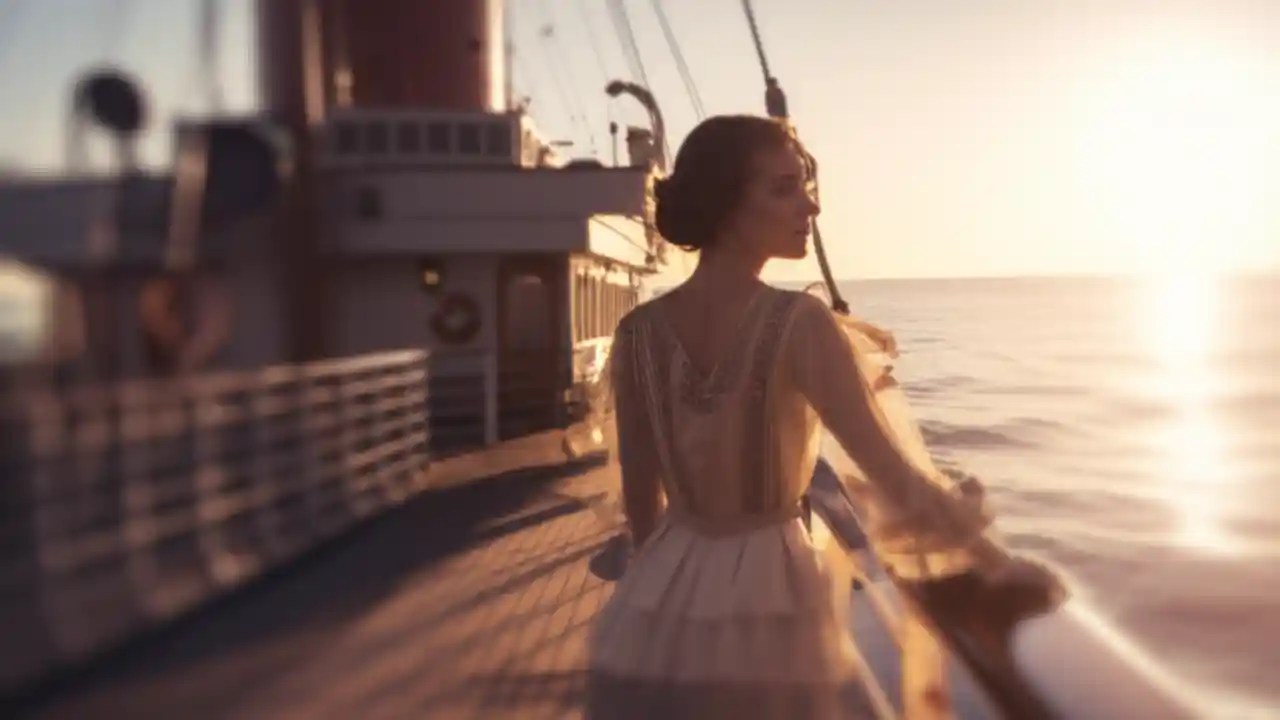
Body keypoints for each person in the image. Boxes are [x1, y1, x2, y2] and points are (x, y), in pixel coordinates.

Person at [585, 116, 994, 718]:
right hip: (768, 585)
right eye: (784, 189)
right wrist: (977, 540)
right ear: (726, 203)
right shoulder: (798, 323)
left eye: (804, 186)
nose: (810, 207)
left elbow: (642, 497)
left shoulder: (637, 332)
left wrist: (659, 588)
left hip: (663, 587)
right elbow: (887, 472)